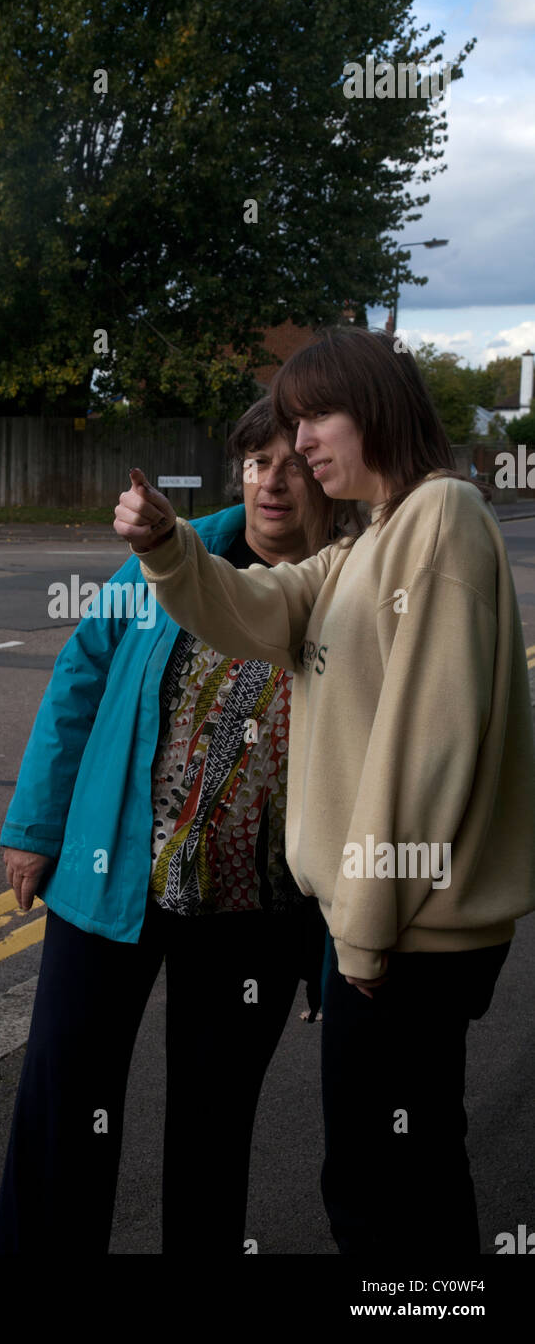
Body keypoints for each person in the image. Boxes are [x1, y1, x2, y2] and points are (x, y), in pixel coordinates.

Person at [116, 326, 535, 1255]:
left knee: (386, 1189)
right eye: (292, 424)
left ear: (376, 407)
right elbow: (257, 608)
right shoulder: (367, 543)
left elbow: (429, 747)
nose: (299, 445)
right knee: (398, 1175)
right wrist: (171, 549)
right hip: (388, 925)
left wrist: (364, 930)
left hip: (404, 933)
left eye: (315, 418)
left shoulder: (441, 517)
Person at [0, 396, 335, 1255]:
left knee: (214, 1125)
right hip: (112, 876)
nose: (274, 484)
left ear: (324, 473)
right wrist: (35, 826)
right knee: (68, 1094)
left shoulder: (348, 581)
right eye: (258, 463)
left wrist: (338, 945)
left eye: (293, 464)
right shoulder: (172, 556)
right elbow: (79, 676)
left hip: (256, 909)